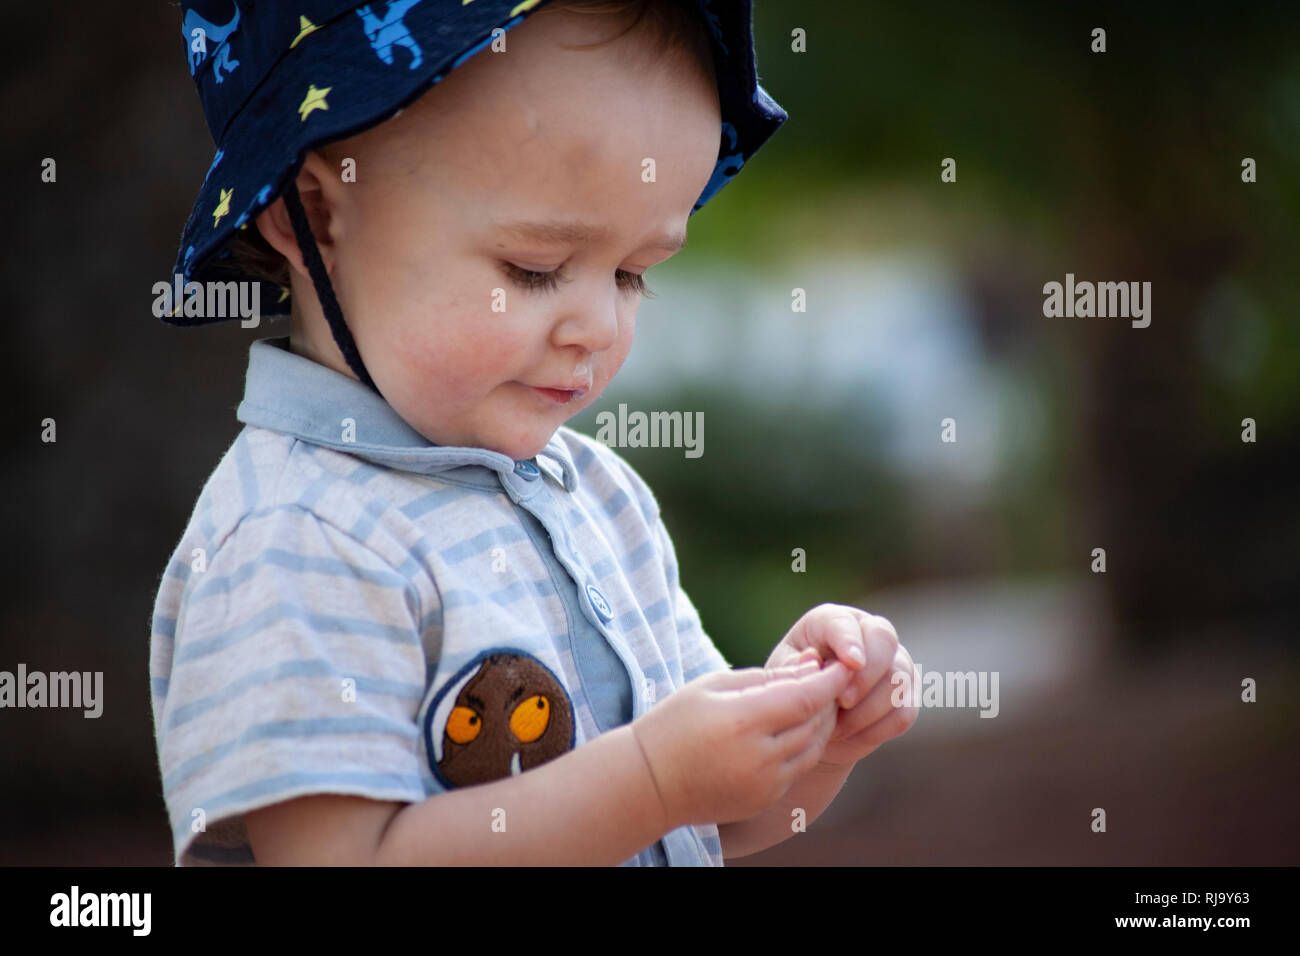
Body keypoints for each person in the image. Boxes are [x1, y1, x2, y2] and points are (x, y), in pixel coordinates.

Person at [150, 0, 918, 866]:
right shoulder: (297, 536)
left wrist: (806, 735)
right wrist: (652, 779)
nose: (597, 324)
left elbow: (710, 823)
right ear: (313, 218)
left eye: (632, 274)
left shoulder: (595, 495)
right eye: (537, 268)